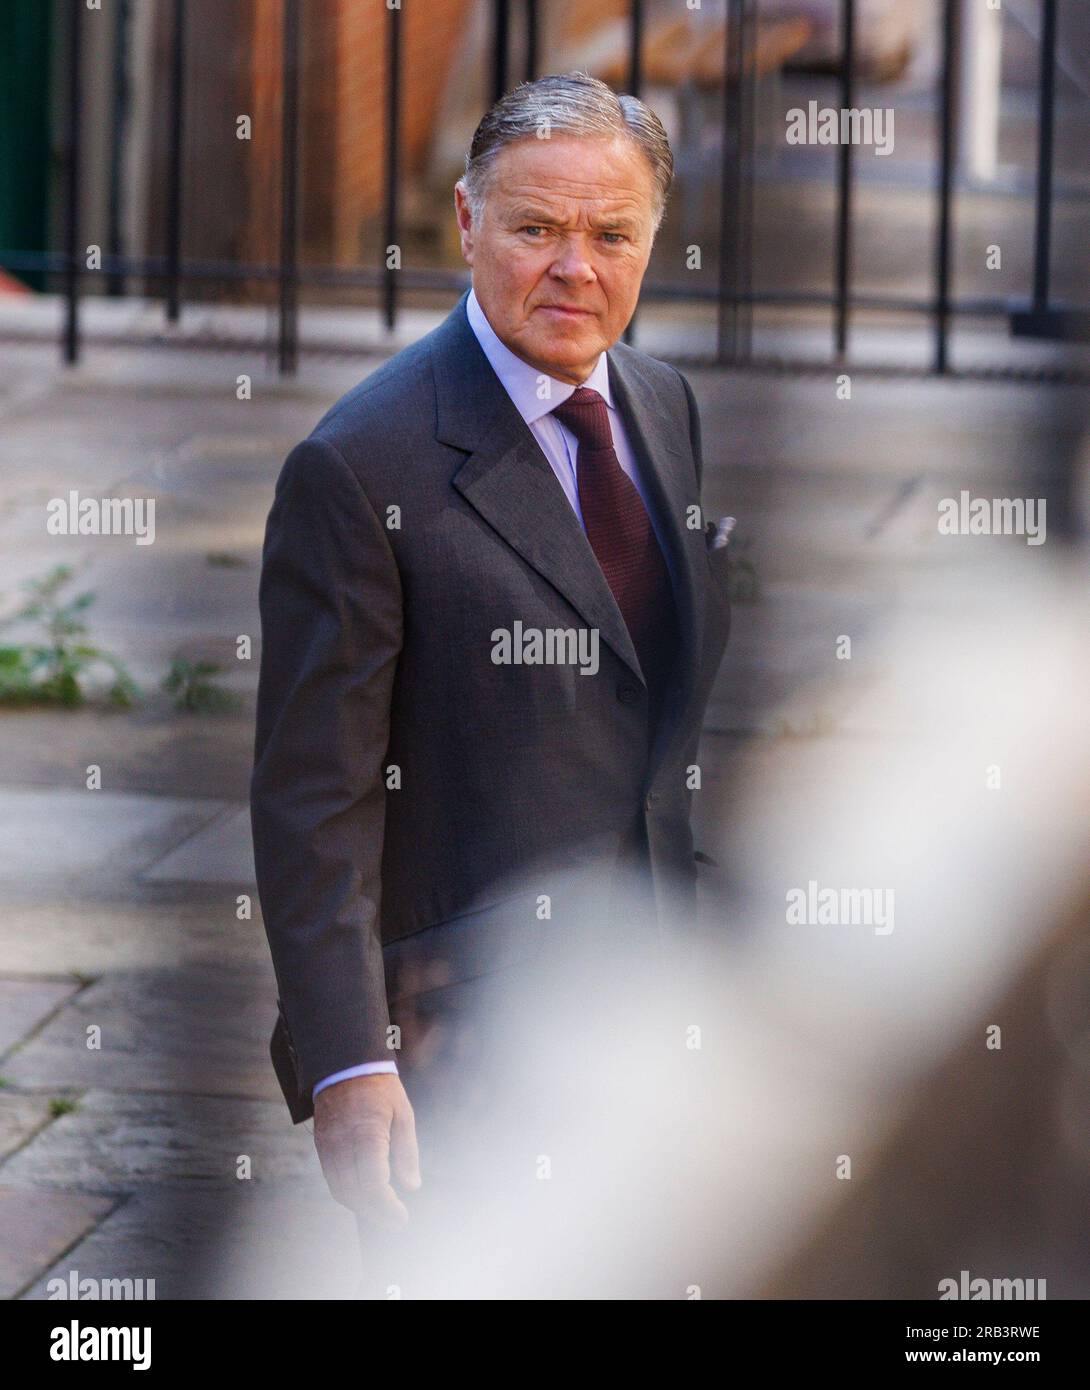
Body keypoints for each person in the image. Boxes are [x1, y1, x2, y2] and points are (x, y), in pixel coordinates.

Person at [250, 72, 732, 1247]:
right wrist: (350, 1064)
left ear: (653, 239)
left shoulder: (662, 406)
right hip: (459, 1041)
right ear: (467, 223)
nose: (576, 267)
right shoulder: (361, 468)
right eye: (536, 228)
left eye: (612, 234)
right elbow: (314, 799)